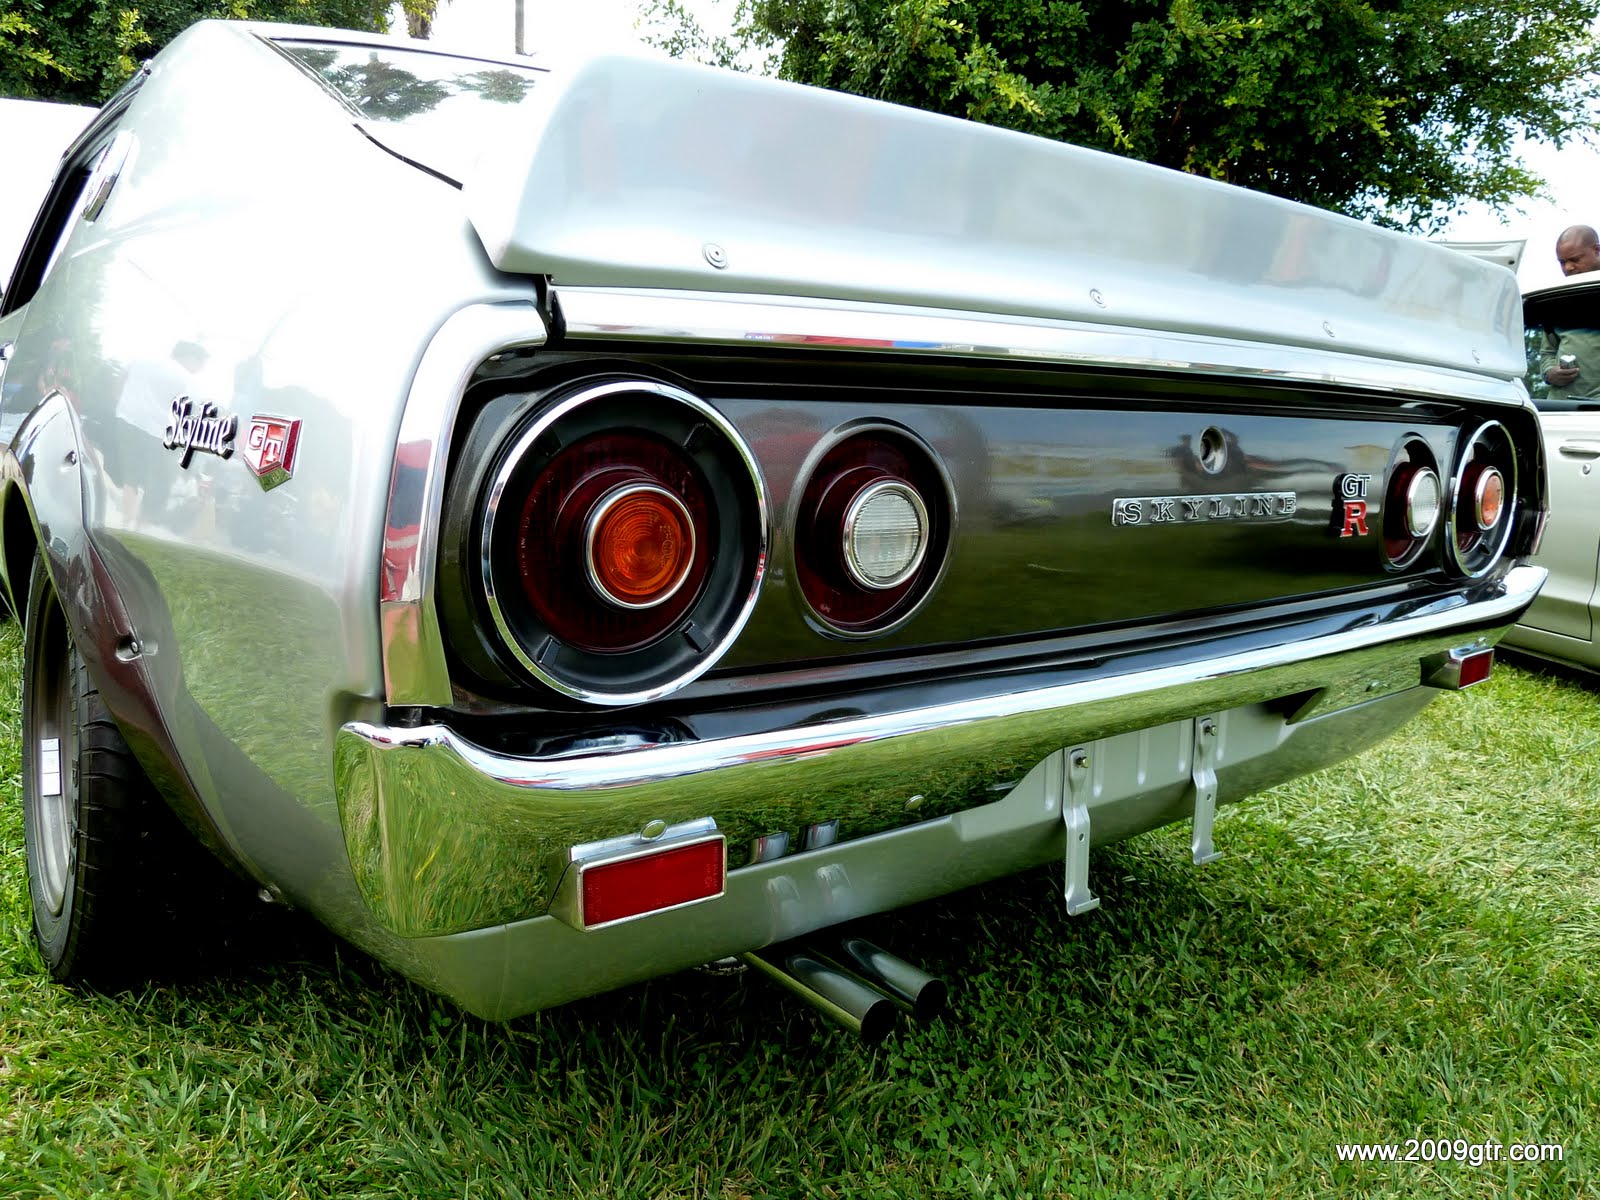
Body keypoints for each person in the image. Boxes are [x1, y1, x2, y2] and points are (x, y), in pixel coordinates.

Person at [1540, 225, 1600, 399]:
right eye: (1562, 262)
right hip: (1563, 408)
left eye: (1575, 259)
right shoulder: (1557, 300)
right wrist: (1550, 373)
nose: (1568, 268)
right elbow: (1547, 353)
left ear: (1597, 250)